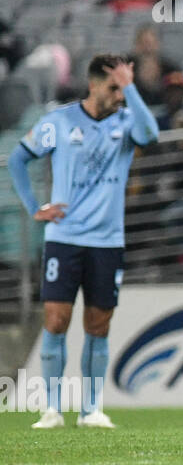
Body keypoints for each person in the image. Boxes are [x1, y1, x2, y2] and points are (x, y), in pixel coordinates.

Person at [11, 55, 160, 429]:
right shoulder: (59, 121)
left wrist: (130, 87)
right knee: (57, 319)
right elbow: (18, 159)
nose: (119, 95)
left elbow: (151, 136)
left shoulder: (127, 122)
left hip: (107, 241)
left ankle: (91, 408)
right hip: (64, 238)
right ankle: (51, 409)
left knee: (98, 324)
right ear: (93, 85)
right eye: (113, 87)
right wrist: (34, 207)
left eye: (123, 88)